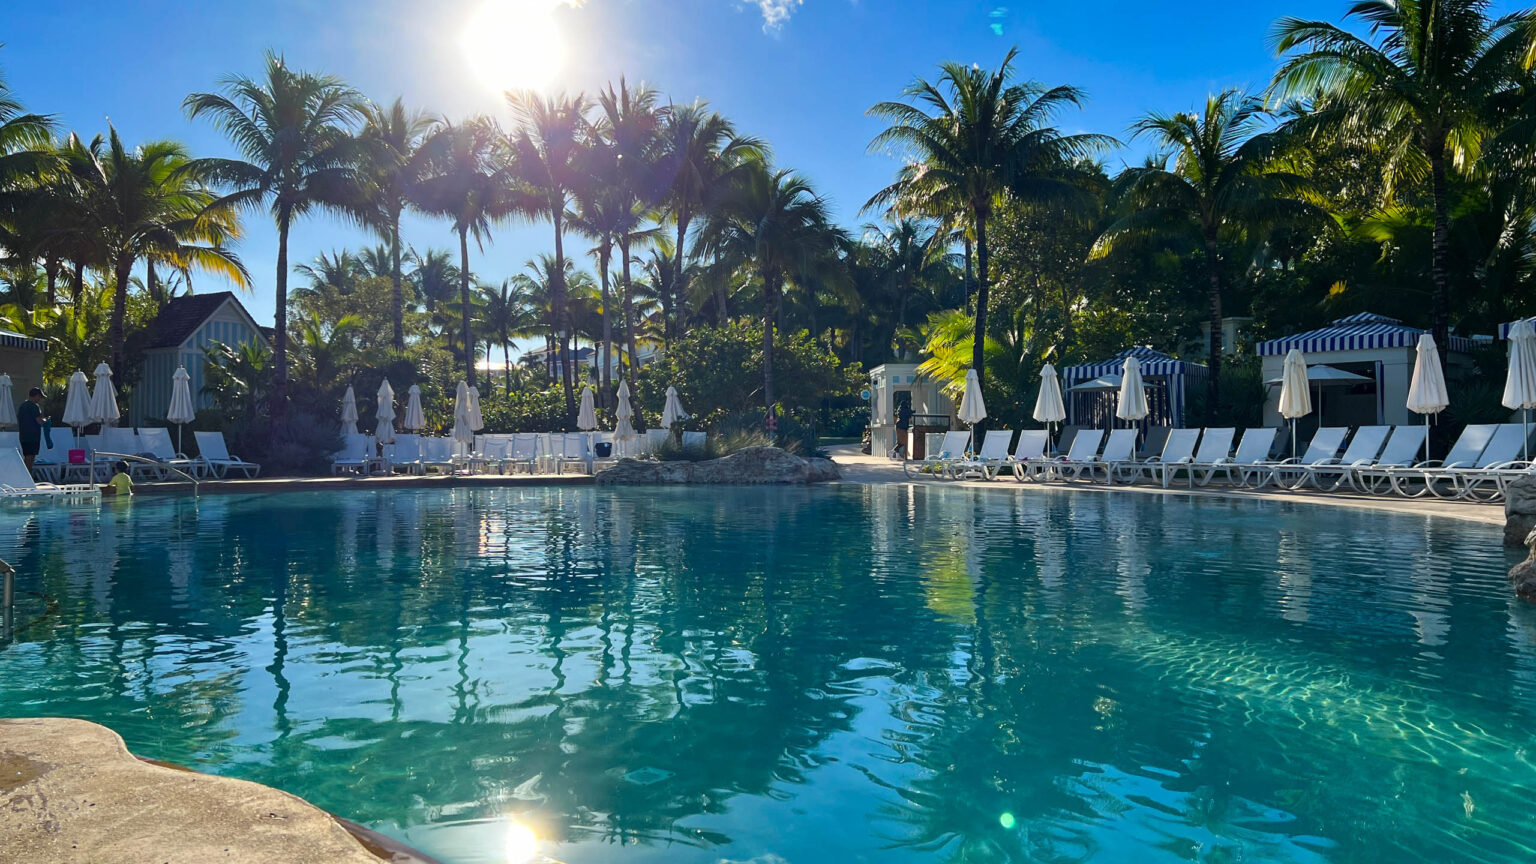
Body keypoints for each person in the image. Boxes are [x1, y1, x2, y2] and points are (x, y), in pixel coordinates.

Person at [16, 387, 45, 470]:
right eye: (39, 396)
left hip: (23, 435)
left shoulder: (22, 406)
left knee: (27, 456)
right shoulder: (34, 406)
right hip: (32, 436)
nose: (39, 399)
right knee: (30, 457)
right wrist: (45, 420)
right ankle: (28, 476)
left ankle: (26, 476)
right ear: (35, 395)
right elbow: (39, 421)